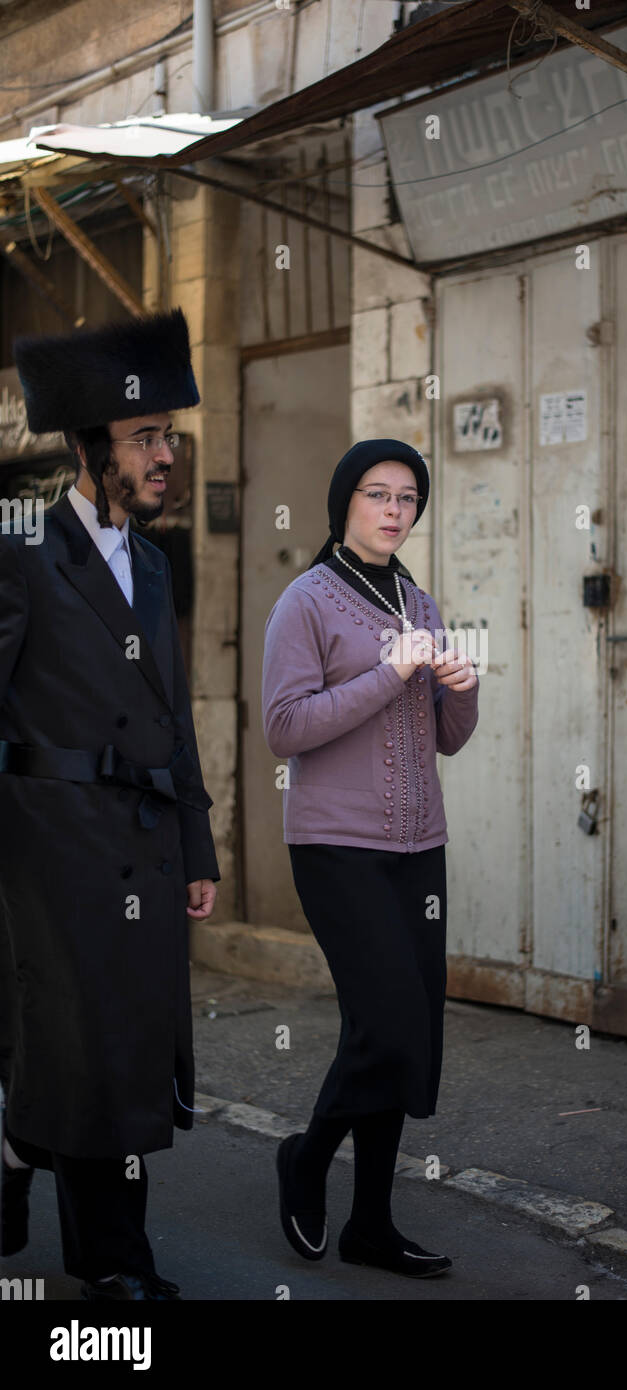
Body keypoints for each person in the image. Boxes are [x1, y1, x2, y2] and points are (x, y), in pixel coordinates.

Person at [0, 308, 219, 1300]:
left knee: (126, 1055)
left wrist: (202, 842)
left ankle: (68, 1213)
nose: (164, 455)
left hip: (146, 843)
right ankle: (112, 1261)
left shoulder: (159, 563)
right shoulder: (22, 555)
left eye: (168, 436)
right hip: (55, 851)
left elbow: (173, 719)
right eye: (145, 439)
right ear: (92, 451)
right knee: (79, 1049)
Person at [262, 439, 480, 1279]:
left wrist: (461, 690)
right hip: (335, 846)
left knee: (404, 1033)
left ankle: (372, 1225)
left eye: (407, 498)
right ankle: (306, 1159)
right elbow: (285, 728)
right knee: (386, 1023)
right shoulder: (306, 601)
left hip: (419, 848)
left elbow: (446, 740)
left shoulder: (420, 603)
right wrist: (389, 677)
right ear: (343, 503)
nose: (393, 510)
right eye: (375, 493)